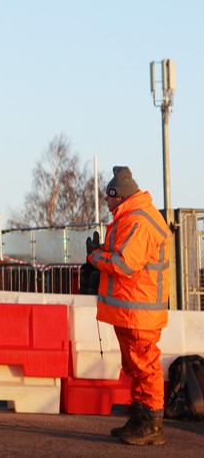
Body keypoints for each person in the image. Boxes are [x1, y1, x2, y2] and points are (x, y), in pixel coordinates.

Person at [87, 166, 170, 446]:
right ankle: (140, 419)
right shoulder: (130, 218)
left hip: (139, 311)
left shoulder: (139, 221)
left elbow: (124, 264)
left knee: (145, 366)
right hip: (131, 310)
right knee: (136, 367)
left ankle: (152, 423)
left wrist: (94, 259)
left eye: (108, 198)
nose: (106, 203)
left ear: (118, 196)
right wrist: (100, 256)